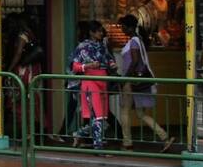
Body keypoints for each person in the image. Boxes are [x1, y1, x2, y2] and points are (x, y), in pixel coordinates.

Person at [117, 14, 174, 152]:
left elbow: (135, 61)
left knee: (124, 111)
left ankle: (127, 143)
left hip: (131, 81)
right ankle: (164, 137)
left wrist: (125, 78)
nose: (122, 29)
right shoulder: (138, 40)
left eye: (123, 27)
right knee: (141, 113)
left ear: (130, 27)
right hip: (138, 81)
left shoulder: (134, 42)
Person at [70, 21, 114, 149]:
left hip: (103, 81)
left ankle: (78, 133)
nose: (101, 33)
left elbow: (109, 58)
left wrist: (112, 64)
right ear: (91, 32)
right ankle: (98, 146)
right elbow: (75, 66)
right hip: (90, 81)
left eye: (101, 31)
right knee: (98, 116)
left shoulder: (102, 45)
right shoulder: (82, 46)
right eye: (99, 31)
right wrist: (88, 66)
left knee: (102, 119)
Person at [5, 17, 48, 139]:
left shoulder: (22, 36)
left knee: (21, 101)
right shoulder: (32, 34)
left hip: (24, 71)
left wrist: (10, 68)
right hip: (33, 70)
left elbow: (18, 53)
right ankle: (32, 132)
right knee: (31, 101)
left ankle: (28, 132)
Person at [58, 21, 92, 139]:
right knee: (77, 108)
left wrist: (71, 77)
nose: (76, 33)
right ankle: (67, 133)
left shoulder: (83, 46)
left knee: (82, 109)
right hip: (80, 81)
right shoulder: (90, 45)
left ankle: (83, 135)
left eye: (78, 30)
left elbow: (76, 65)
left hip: (80, 82)